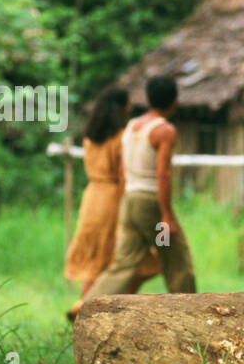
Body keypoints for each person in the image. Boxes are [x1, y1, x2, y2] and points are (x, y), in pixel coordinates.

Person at [83, 75, 196, 300]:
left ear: (147, 99)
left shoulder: (131, 127)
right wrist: (166, 216)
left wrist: (124, 201)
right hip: (151, 205)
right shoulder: (164, 131)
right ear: (174, 101)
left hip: (130, 203)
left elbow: (124, 171)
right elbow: (163, 175)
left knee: (123, 263)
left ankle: (87, 305)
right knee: (175, 258)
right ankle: (191, 308)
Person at [63, 86, 161, 321]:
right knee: (127, 260)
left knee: (95, 262)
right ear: (121, 108)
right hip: (113, 199)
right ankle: (104, 312)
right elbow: (123, 175)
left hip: (92, 198)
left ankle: (85, 311)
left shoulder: (89, 138)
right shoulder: (121, 138)